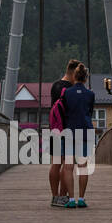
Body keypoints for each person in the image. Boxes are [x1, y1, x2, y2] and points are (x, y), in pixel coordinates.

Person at [58, 63, 96, 208]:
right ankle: (81, 198)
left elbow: (64, 111)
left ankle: (71, 200)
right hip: (85, 131)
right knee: (83, 166)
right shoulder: (90, 94)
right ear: (85, 78)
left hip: (70, 131)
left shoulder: (66, 93)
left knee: (68, 167)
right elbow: (90, 111)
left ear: (74, 76)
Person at [48, 59, 79, 207]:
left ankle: (55, 197)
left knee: (55, 163)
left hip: (54, 128)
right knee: (68, 165)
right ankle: (63, 196)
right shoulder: (71, 89)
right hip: (68, 130)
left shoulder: (55, 86)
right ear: (73, 73)